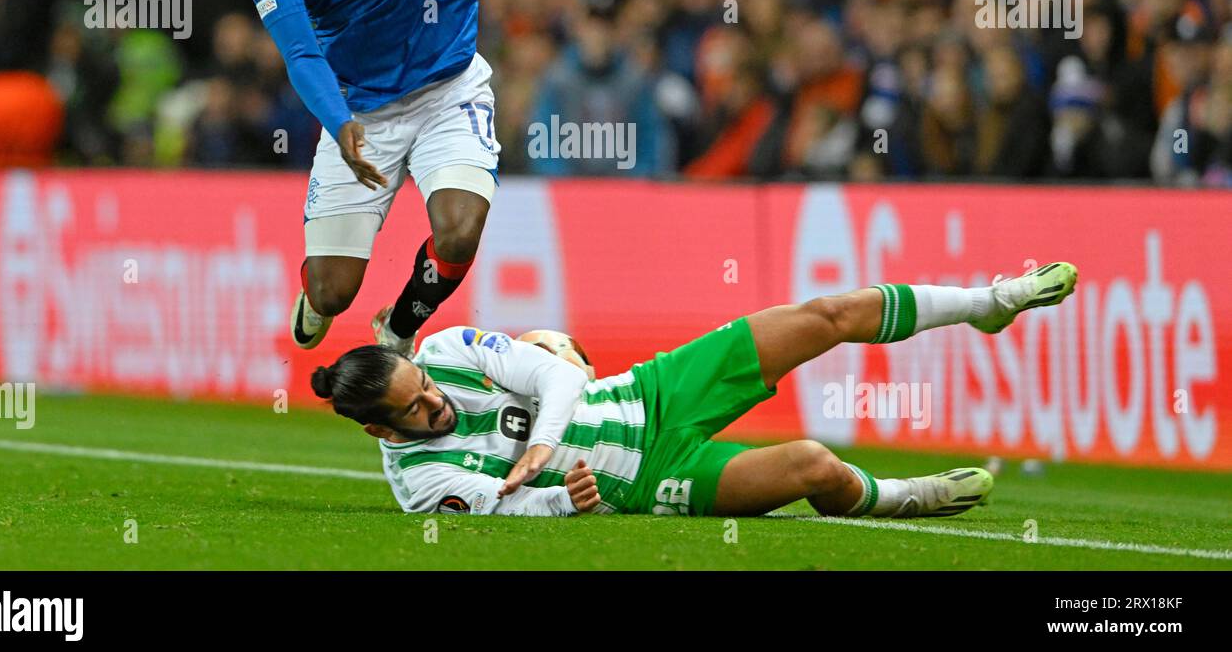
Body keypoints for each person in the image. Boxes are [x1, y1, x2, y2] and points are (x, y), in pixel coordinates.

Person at [311, 262, 1079, 516]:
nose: (433, 404)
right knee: (813, 465)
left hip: (650, 395)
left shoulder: (444, 351)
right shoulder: (419, 482)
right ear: (380, 432)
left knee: (826, 313)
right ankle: (904, 498)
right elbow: (501, 508)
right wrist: (559, 497)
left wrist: (544, 442)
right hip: (650, 477)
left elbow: (552, 370)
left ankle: (989, 304)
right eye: (412, 410)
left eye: (422, 389)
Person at [239, 0, 537, 352]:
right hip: (358, 109)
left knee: (459, 230)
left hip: (448, 87)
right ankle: (315, 292)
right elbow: (300, 51)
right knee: (332, 293)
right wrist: (337, 120)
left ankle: (399, 328)